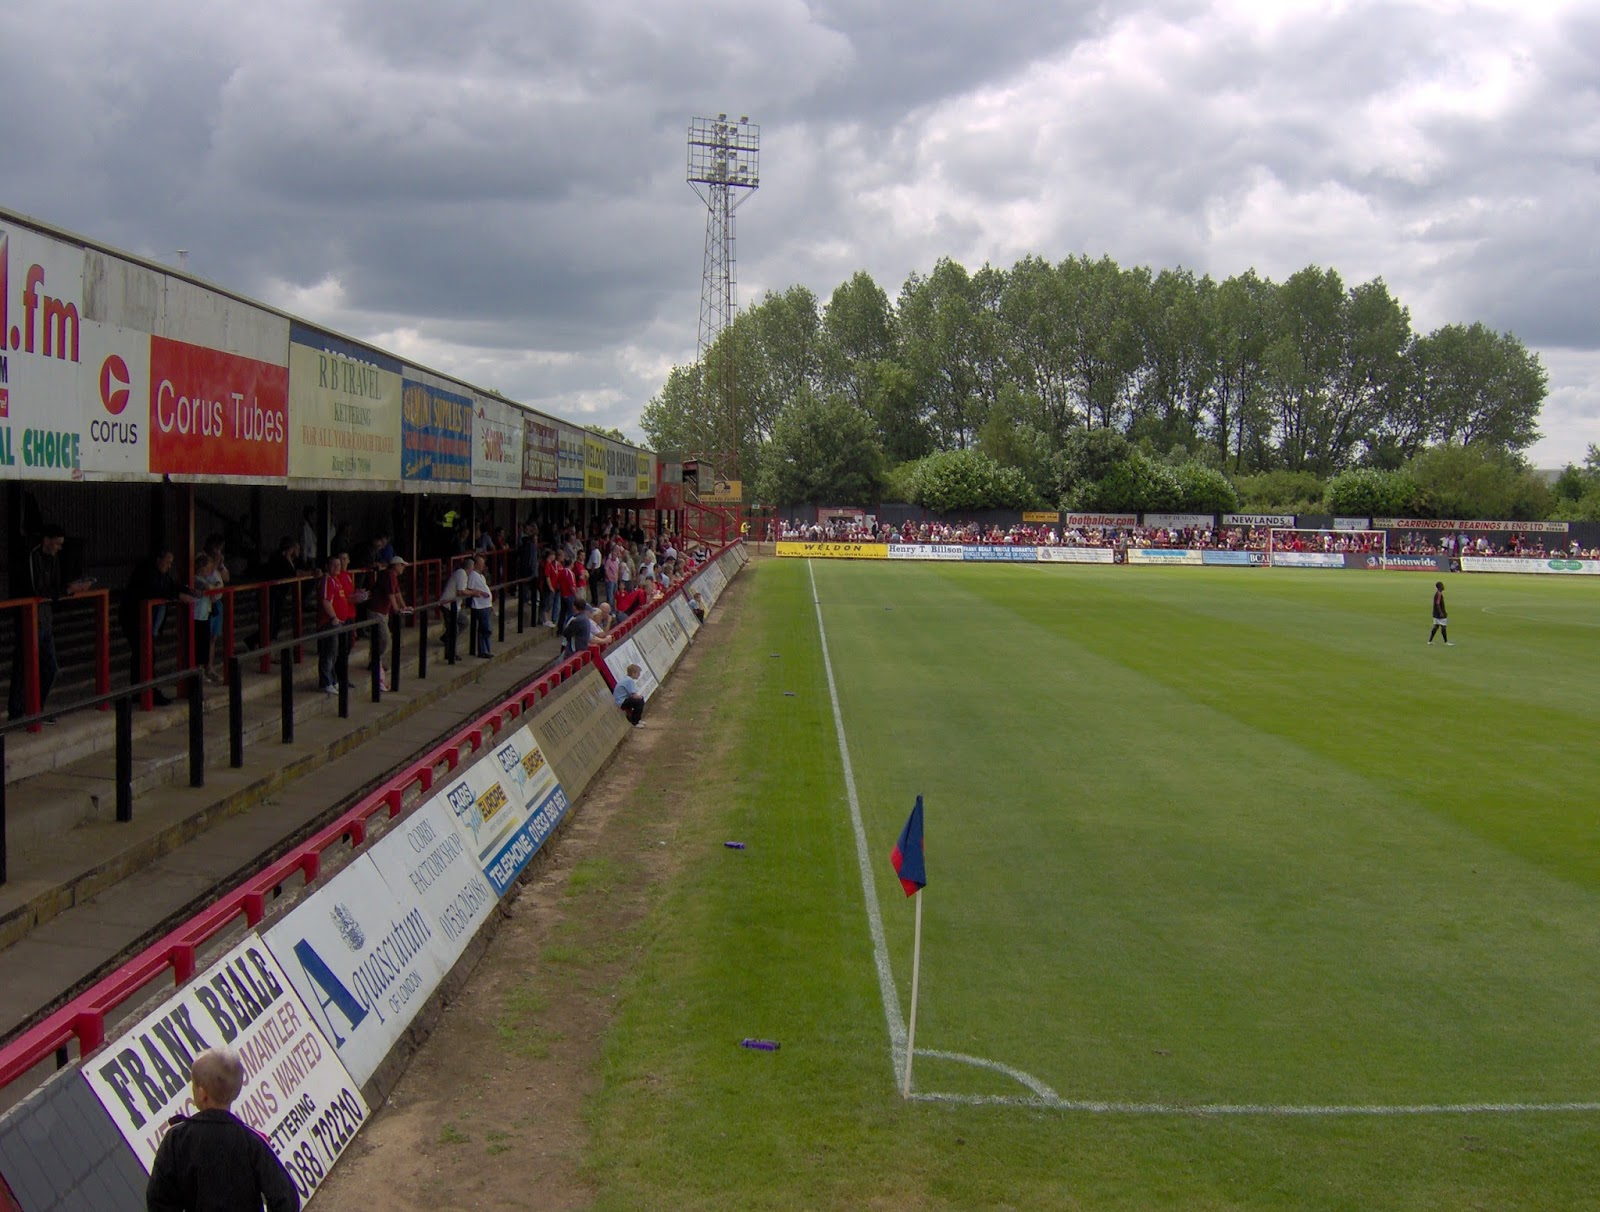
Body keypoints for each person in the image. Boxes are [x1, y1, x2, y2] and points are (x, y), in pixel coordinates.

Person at [145, 1045, 300, 1212]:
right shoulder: (250, 1140)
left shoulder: (176, 1139)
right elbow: (285, 1196)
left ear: (202, 1093)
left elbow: (157, 1199)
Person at [8, 523, 93, 720]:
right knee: (22, 667)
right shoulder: (32, 556)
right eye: (56, 544)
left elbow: (54, 587)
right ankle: (17, 711)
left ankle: (37, 707)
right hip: (29, 619)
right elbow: (37, 589)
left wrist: (70, 588)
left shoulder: (54, 560)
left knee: (50, 667)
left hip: (45, 620)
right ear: (46, 540)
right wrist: (65, 591)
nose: (59, 548)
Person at [119, 551, 191, 706]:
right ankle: (146, 690)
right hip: (134, 620)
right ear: (158, 560)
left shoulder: (161, 574)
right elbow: (154, 590)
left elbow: (171, 585)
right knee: (145, 654)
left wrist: (186, 590)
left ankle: (141, 690)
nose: (169, 566)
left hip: (146, 621)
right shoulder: (146, 572)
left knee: (143, 655)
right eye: (167, 562)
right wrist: (177, 596)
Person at [366, 556, 408, 689]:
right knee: (384, 639)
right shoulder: (389, 575)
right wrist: (396, 609)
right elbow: (391, 594)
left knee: (380, 638)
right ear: (395, 565)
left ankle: (375, 662)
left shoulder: (393, 576)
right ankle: (375, 662)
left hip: (383, 611)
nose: (403, 567)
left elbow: (397, 593)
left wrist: (404, 606)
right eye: (401, 565)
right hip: (377, 611)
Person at [466, 554, 494, 657]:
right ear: (476, 565)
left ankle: (487, 650)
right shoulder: (473, 575)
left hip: (486, 605)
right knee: (484, 629)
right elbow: (469, 589)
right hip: (480, 606)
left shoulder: (481, 576)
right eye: (481, 564)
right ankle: (483, 651)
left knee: (485, 628)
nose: (483, 566)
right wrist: (480, 593)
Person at [613, 661, 646, 726]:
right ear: (633, 673)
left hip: (621, 700)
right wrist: (640, 697)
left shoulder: (627, 679)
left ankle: (637, 719)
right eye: (638, 673)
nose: (639, 675)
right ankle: (635, 721)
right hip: (621, 702)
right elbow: (634, 695)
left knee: (639, 701)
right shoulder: (629, 680)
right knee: (640, 702)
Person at [1428, 581, 1453, 646]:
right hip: (1439, 613)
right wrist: (1441, 612)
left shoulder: (1438, 593)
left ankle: (1430, 641)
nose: (1443, 586)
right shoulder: (1439, 594)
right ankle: (1446, 642)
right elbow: (1438, 603)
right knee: (1443, 627)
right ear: (1439, 587)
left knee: (1436, 626)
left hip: (1435, 613)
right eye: (1442, 585)